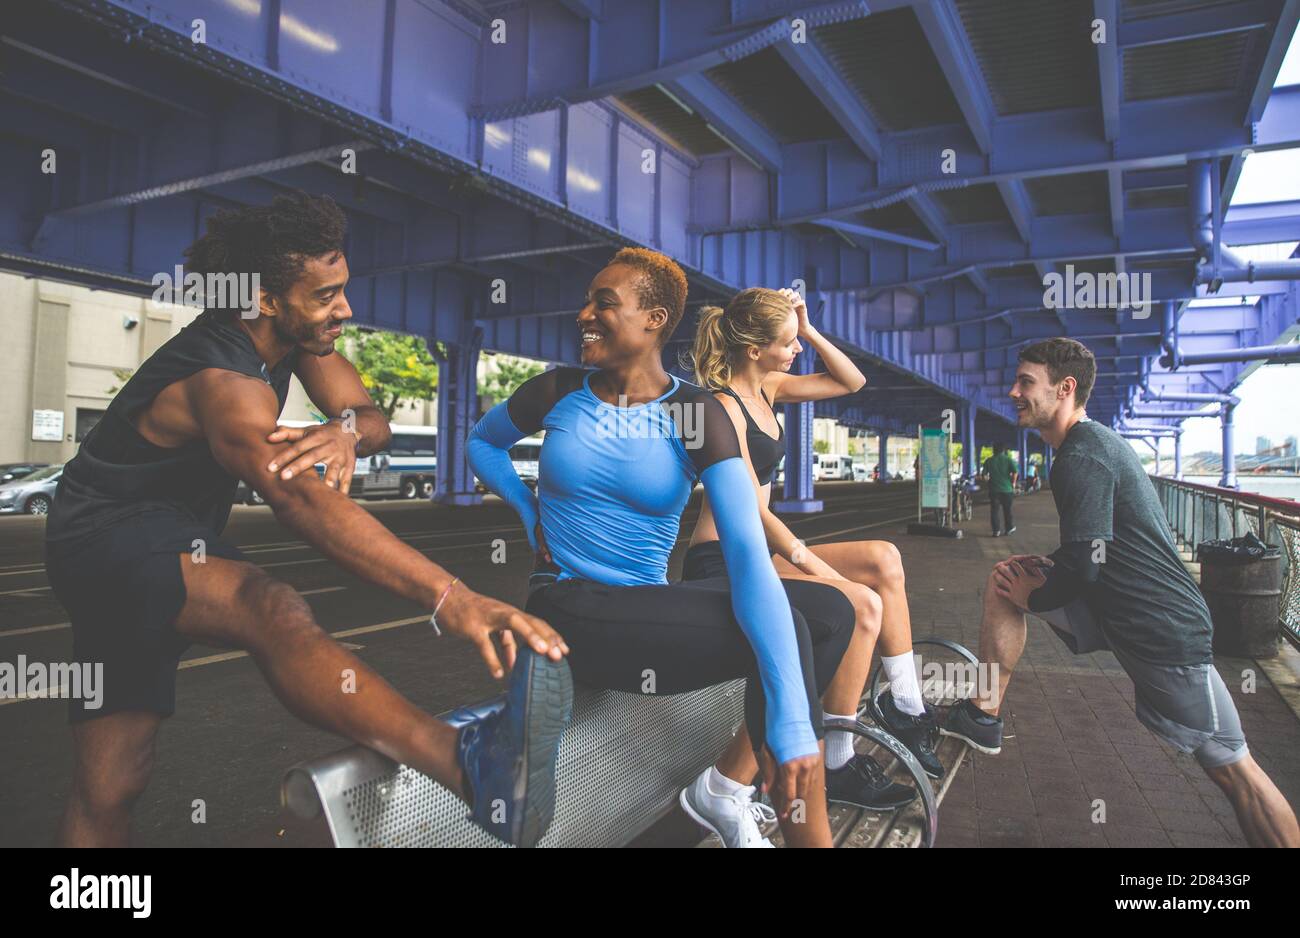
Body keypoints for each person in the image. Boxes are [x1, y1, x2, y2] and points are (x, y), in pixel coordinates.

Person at [45, 194, 572, 848]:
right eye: (326, 296)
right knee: (269, 605)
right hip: (106, 538)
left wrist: (345, 432)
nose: (345, 310)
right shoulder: (221, 379)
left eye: (343, 290)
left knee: (111, 786)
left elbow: (367, 414)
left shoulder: (298, 339)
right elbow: (299, 502)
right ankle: (470, 768)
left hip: (172, 542)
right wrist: (453, 597)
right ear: (266, 300)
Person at [468, 249, 860, 848]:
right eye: (587, 300)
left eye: (604, 303)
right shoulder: (555, 390)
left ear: (654, 318)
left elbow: (750, 556)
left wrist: (791, 722)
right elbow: (483, 444)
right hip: (567, 604)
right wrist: (528, 513)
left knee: (833, 614)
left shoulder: (694, 413)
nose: (584, 314)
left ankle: (732, 788)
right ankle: (803, 831)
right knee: (795, 638)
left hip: (645, 612)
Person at [941, 337, 1299, 847]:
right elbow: (1092, 553)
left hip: (1162, 629)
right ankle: (984, 714)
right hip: (1120, 613)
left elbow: (1087, 565)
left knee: (1233, 767)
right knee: (1006, 579)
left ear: (1064, 389)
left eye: (1026, 382)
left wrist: (1036, 597)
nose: (1012, 390)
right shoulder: (1086, 448)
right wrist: (1035, 577)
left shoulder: (1083, 457)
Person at [674, 287, 937, 847]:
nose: (796, 353)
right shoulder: (719, 408)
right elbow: (745, 506)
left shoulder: (770, 387)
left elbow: (851, 382)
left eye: (797, 344)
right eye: (788, 344)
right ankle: (836, 757)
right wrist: (812, 562)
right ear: (753, 348)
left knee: (883, 559)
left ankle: (906, 706)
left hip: (761, 554)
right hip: (723, 559)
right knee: (860, 603)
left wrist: (808, 327)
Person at [983, 441, 1018, 536]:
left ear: (994, 450)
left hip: (994, 490)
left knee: (994, 510)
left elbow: (985, 476)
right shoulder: (1008, 460)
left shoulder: (989, 460)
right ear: (1003, 450)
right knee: (1007, 510)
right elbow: (1015, 472)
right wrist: (1013, 483)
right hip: (1007, 489)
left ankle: (996, 531)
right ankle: (1009, 528)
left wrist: (989, 482)